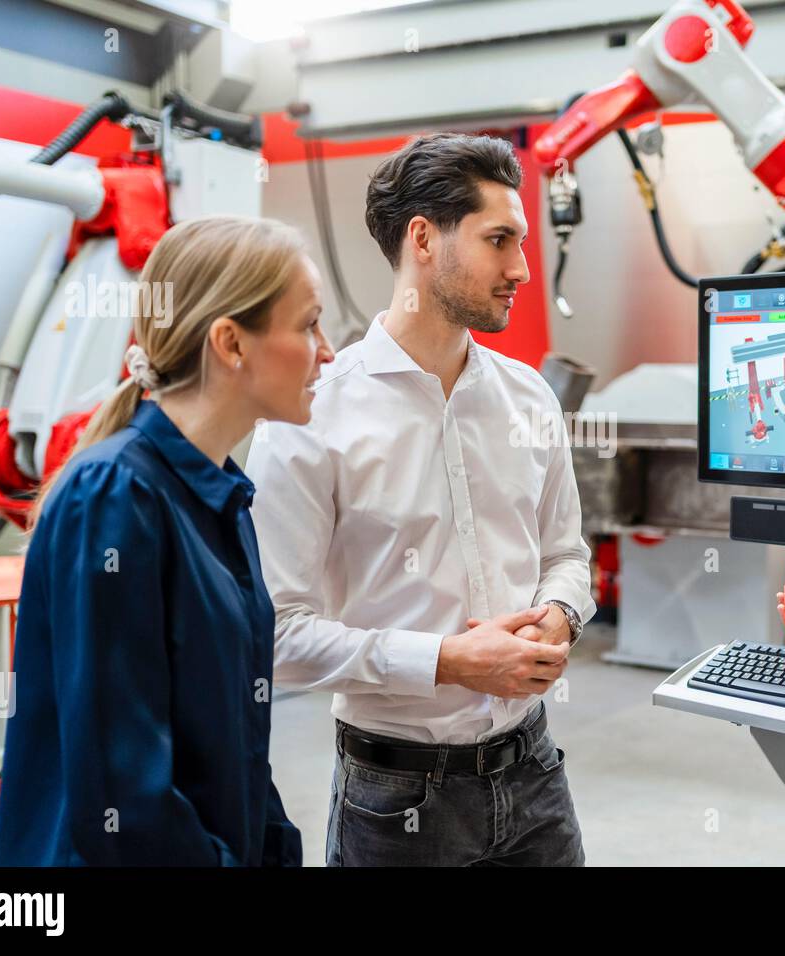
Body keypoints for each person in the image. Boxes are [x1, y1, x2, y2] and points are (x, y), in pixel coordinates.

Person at [247, 132, 595, 867]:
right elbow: (275, 638)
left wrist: (558, 617)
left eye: (522, 242)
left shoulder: (526, 395)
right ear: (423, 239)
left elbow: (566, 553)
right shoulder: (314, 414)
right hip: (397, 800)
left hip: (534, 777)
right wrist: (446, 661)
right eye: (499, 240)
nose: (522, 269)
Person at [0, 216, 334, 865]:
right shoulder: (116, 497)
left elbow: (237, 741)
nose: (328, 349)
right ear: (231, 343)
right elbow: (124, 797)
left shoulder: (224, 499)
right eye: (308, 324)